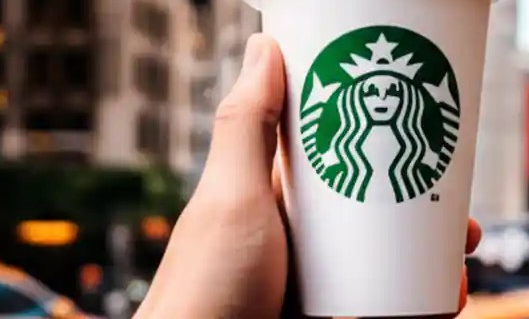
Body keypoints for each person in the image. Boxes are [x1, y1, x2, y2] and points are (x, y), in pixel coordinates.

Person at [133, 34, 481, 318]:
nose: (382, 99)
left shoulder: (416, 155)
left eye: (392, 91)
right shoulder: (345, 153)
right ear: (355, 98)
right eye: (371, 90)